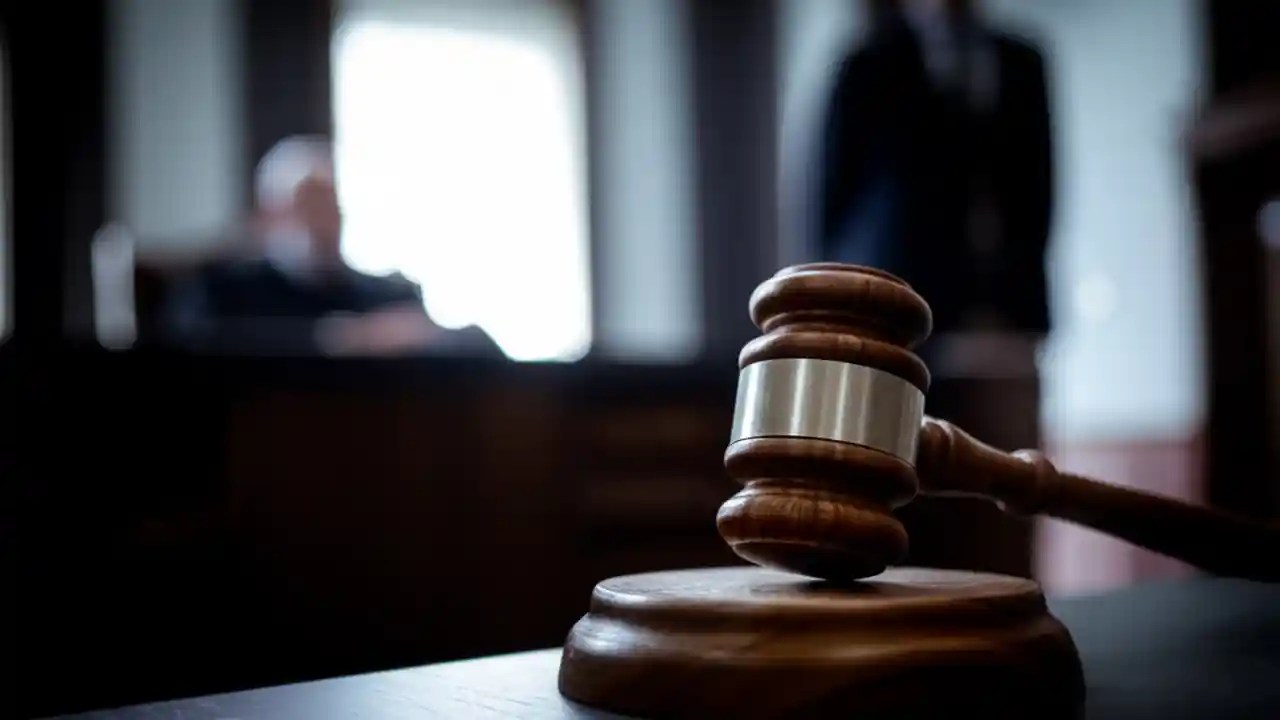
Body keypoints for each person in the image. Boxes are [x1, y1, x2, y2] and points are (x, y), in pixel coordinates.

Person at [817, 0, 1054, 363]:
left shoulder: (1020, 61)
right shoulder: (868, 65)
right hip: (902, 309)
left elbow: (1039, 188)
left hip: (1003, 306)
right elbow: (832, 200)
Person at [162, 136, 498, 356]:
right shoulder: (225, 292)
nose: (324, 222)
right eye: (308, 205)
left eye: (332, 207)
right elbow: (192, 348)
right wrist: (340, 337)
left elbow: (472, 347)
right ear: (271, 214)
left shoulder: (387, 297)